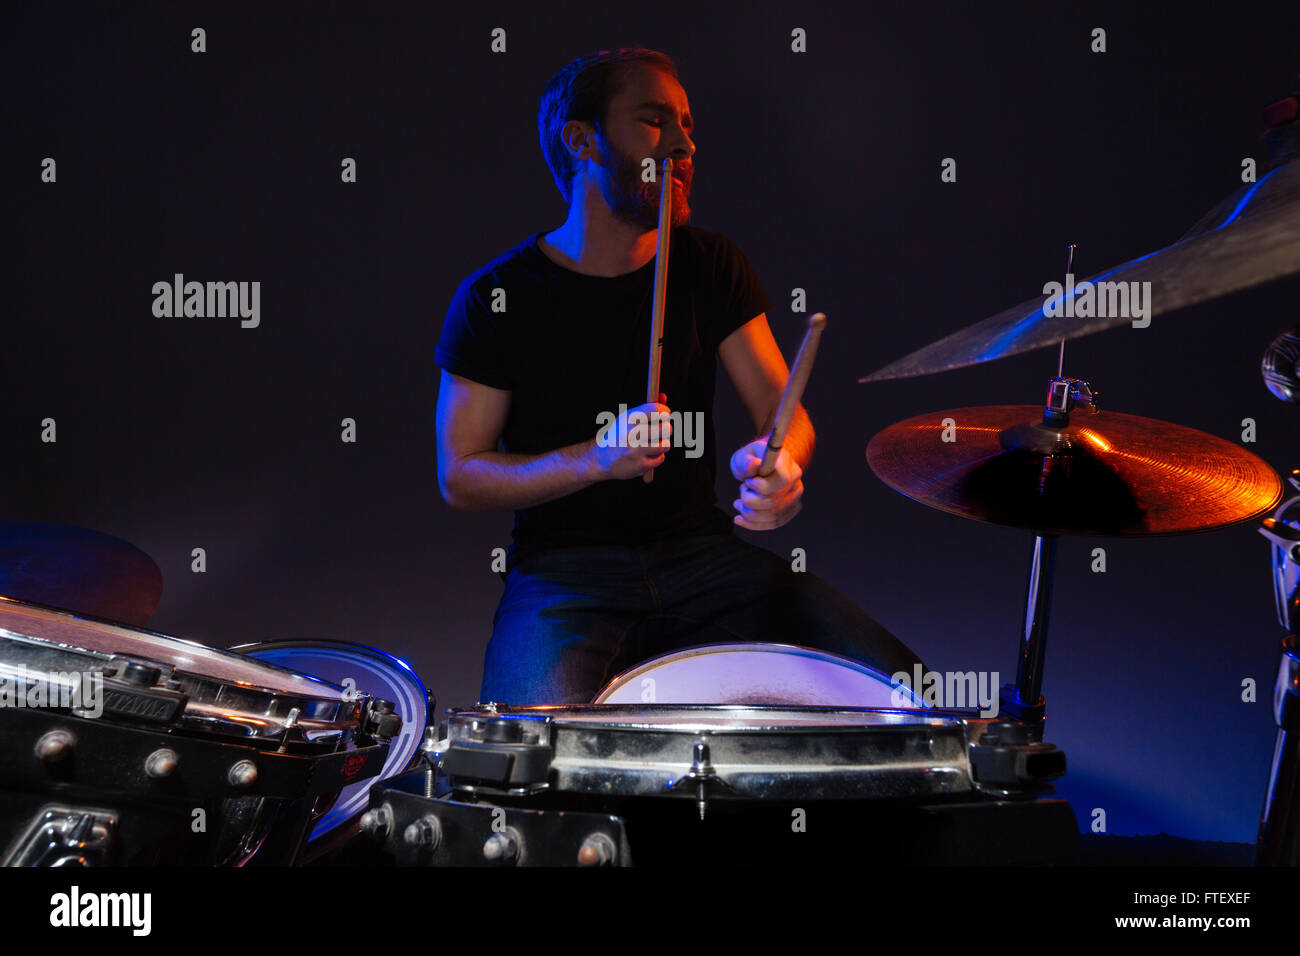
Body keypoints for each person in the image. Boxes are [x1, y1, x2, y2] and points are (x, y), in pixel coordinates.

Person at [435, 47, 923, 704]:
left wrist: (782, 464)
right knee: (532, 752)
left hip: (705, 559)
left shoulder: (710, 264)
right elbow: (460, 475)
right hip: (562, 577)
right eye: (654, 121)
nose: (684, 144)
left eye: (687, 125)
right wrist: (593, 460)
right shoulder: (495, 297)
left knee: (908, 696)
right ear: (582, 141)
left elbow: (785, 412)